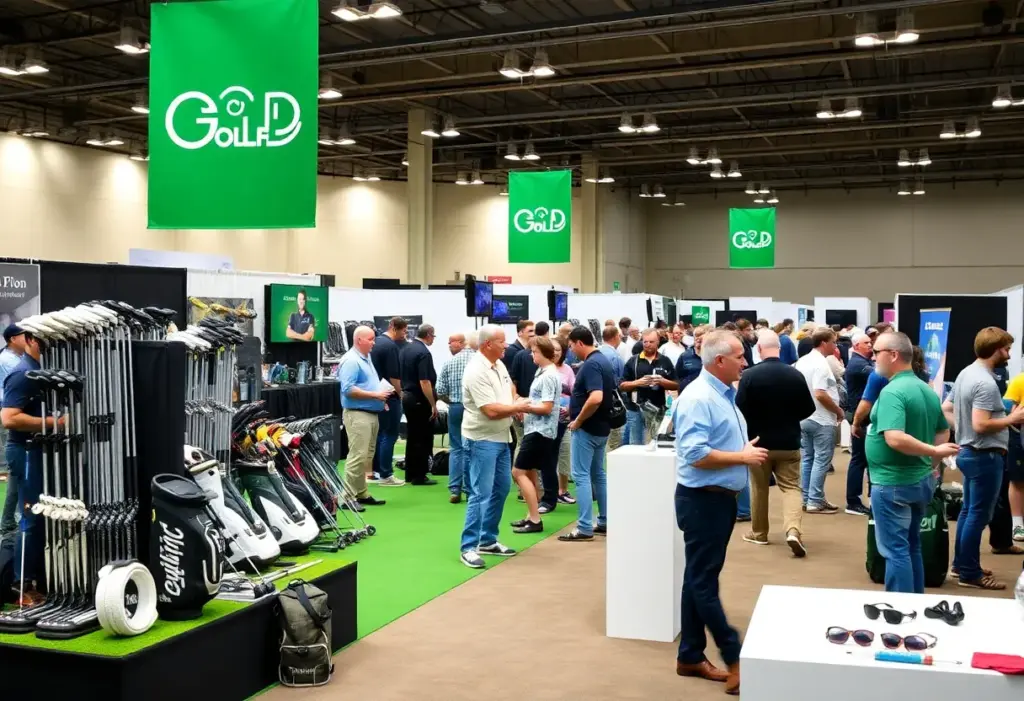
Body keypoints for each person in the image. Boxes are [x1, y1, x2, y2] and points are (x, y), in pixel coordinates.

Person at [673, 330, 763, 695]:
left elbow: (712, 443)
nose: (746, 362)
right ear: (720, 360)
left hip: (717, 501)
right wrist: (741, 456)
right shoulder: (699, 398)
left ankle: (690, 656)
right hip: (703, 502)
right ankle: (732, 653)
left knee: (697, 577)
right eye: (740, 356)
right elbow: (695, 453)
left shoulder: (723, 393)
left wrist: (739, 449)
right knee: (703, 582)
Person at [866, 331, 957, 593]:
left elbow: (894, 438)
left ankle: (901, 607)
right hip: (918, 480)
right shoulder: (925, 389)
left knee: (895, 550)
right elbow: (943, 430)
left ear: (893, 355)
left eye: (877, 352)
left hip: (893, 482)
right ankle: (914, 602)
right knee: (911, 545)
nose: (873, 358)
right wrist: (931, 461)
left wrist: (931, 453)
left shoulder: (893, 392)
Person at [949, 327, 1024, 589]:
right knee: (978, 516)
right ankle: (969, 573)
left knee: (969, 512)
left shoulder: (965, 373)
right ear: (995, 350)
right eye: (1006, 349)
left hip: (970, 452)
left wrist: (963, 432)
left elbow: (947, 408)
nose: (1009, 355)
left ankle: (962, 565)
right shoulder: (985, 382)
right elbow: (981, 424)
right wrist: (1012, 418)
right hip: (984, 455)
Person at [736, 330, 815, 555]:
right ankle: (793, 530)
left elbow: (739, 408)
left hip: (757, 443)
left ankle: (759, 533)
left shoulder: (749, 376)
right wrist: (789, 418)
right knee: (791, 488)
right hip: (789, 441)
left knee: (759, 488)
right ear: (779, 349)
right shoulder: (795, 374)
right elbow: (808, 408)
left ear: (759, 349)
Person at [458, 325, 531, 569]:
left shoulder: (498, 364)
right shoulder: (475, 370)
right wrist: (518, 407)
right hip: (482, 439)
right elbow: (489, 410)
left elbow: (508, 388)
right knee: (481, 493)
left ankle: (488, 540)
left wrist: (515, 401)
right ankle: (468, 547)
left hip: (501, 437)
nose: (506, 345)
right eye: (502, 341)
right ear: (488, 344)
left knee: (501, 488)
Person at [2, 330, 61, 606]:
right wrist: (55, 423)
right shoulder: (23, 373)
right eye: (44, 338)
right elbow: (8, 419)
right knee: (30, 518)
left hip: (42, 451)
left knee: (44, 517)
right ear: (31, 340)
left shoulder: (43, 370)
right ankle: (19, 586)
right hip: (25, 451)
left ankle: (37, 580)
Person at [559, 326, 615, 542]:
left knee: (581, 476)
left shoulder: (591, 364)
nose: (571, 350)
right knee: (598, 474)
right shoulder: (603, 360)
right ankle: (604, 520)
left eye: (571, 346)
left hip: (588, 428)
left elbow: (596, 397)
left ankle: (584, 527)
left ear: (579, 343)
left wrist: (579, 420)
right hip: (601, 427)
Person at [510, 337, 561, 533]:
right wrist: (526, 402)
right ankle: (531, 515)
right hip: (536, 429)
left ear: (544, 353)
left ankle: (534, 519)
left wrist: (524, 406)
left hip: (540, 431)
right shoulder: (543, 372)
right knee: (529, 471)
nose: (532, 355)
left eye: (535, 352)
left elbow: (547, 407)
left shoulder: (548, 375)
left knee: (518, 472)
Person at [338, 326, 390, 510]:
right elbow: (348, 389)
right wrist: (375, 396)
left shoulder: (365, 358)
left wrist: (379, 399)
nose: (374, 343)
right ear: (359, 340)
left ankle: (361, 493)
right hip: (358, 414)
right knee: (357, 456)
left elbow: (365, 385)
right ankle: (347, 497)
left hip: (369, 413)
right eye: (370, 339)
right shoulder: (351, 361)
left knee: (365, 455)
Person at [795, 327, 844, 513]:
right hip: (821, 418)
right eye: (833, 342)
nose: (836, 346)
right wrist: (838, 410)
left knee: (808, 458)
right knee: (822, 459)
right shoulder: (821, 364)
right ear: (824, 343)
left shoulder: (802, 361)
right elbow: (820, 393)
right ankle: (815, 500)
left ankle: (808, 498)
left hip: (804, 417)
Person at [620, 328, 678, 445]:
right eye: (645, 342)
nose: (648, 345)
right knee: (635, 444)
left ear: (658, 342)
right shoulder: (633, 361)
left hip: (658, 408)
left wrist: (662, 381)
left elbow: (676, 384)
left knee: (656, 443)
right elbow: (622, 386)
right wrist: (637, 382)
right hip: (636, 408)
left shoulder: (665, 361)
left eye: (651, 342)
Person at [437, 331, 475, 503]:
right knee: (472, 448)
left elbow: (440, 391)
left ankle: (454, 489)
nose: (448, 346)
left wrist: (451, 401)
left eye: (450, 342)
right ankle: (470, 489)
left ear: (461, 343)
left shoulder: (449, 363)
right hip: (475, 408)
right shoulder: (479, 361)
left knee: (456, 448)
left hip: (455, 407)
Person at [400, 324, 439, 486]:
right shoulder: (423, 353)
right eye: (433, 336)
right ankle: (419, 476)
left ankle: (410, 473)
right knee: (422, 437)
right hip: (419, 398)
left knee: (412, 435)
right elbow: (424, 381)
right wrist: (433, 404)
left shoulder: (405, 349)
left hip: (407, 396)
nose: (433, 340)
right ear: (428, 334)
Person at [370, 317, 407, 486]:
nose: (405, 335)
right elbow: (394, 377)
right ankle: (386, 474)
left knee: (380, 434)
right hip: (389, 396)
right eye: (404, 331)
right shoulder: (390, 346)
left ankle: (377, 471)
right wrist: (400, 394)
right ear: (395, 328)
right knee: (390, 434)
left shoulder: (376, 343)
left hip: (376, 394)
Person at [0, 324, 27, 538]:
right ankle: (11, 521)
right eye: (22, 335)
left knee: (16, 473)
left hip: (11, 412)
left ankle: (10, 520)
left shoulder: (14, 358)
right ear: (12, 339)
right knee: (16, 471)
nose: (27, 338)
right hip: (10, 413)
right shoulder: (10, 361)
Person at [844, 332, 875, 515]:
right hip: (861, 418)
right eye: (867, 343)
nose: (870, 345)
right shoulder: (858, 365)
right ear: (856, 346)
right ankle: (853, 501)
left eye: (871, 342)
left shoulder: (862, 362)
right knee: (860, 459)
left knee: (864, 459)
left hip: (863, 417)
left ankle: (862, 498)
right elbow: (880, 375)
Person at [552, 337, 577, 507]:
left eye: (558, 350)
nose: (555, 353)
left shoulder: (567, 369)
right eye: (552, 350)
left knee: (565, 452)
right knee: (548, 455)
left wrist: (570, 408)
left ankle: (563, 490)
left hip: (565, 418)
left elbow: (574, 391)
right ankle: (549, 491)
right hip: (547, 419)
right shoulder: (542, 369)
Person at [1002, 371, 1024, 543]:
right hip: (1019, 436)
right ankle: (1017, 524)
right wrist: (1013, 413)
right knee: (1017, 480)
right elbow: (1005, 408)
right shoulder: (1020, 381)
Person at [598, 325, 626, 452]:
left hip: (596, 400)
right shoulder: (615, 356)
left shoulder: (596, 353)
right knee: (614, 441)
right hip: (612, 403)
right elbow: (620, 381)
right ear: (616, 337)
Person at [675, 324, 708, 392]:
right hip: (687, 393)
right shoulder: (685, 356)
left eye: (701, 337)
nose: (698, 339)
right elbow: (677, 377)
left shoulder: (711, 356)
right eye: (696, 336)